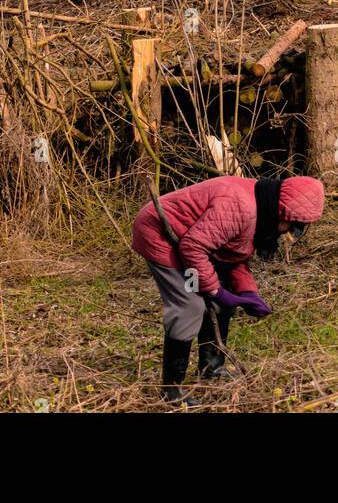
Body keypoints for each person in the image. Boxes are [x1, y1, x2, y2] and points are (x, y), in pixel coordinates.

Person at [132, 173, 325, 403]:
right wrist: (216, 291)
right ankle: (171, 390)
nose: (289, 233)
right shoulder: (241, 207)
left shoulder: (261, 207)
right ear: (282, 212)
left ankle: (211, 368)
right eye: (293, 227)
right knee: (190, 305)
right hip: (161, 234)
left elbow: (232, 255)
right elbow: (193, 248)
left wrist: (247, 292)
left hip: (191, 243)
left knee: (218, 303)